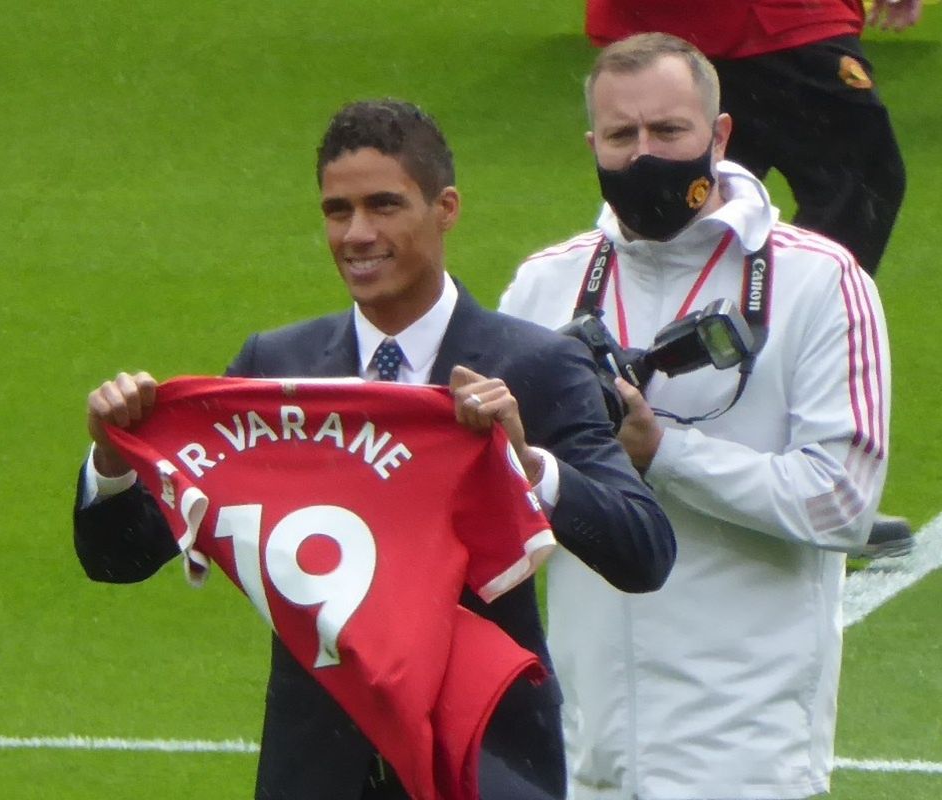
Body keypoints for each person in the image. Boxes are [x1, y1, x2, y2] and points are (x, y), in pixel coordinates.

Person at [73, 99, 676, 800]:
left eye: (384, 206)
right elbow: (120, 558)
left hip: (485, 765)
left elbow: (643, 551)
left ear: (444, 207)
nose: (358, 234)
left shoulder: (534, 366)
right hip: (316, 773)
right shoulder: (279, 370)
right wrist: (113, 463)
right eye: (338, 211)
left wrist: (529, 467)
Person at [499, 33, 890, 799]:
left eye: (668, 131)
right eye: (621, 136)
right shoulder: (546, 287)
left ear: (719, 136)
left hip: (743, 752)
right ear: (592, 145)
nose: (644, 156)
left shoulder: (819, 281)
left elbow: (843, 501)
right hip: (586, 749)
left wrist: (662, 454)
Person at [583, 0, 920, 558]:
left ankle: (652, 432)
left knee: (672, 204)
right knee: (854, 179)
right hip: (768, 18)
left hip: (712, 21)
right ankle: (796, 466)